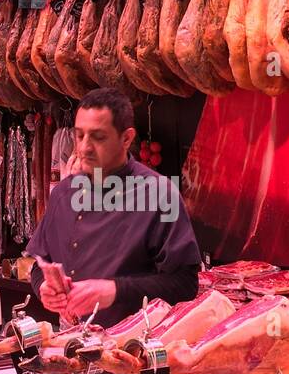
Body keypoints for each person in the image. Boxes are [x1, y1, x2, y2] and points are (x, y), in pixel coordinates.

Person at [27, 88, 200, 328]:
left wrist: (114, 290)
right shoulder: (63, 193)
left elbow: (185, 284)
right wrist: (43, 287)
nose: (84, 147)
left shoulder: (159, 194)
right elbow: (39, 264)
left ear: (126, 138)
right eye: (80, 135)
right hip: (70, 342)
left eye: (98, 137)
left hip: (131, 348)